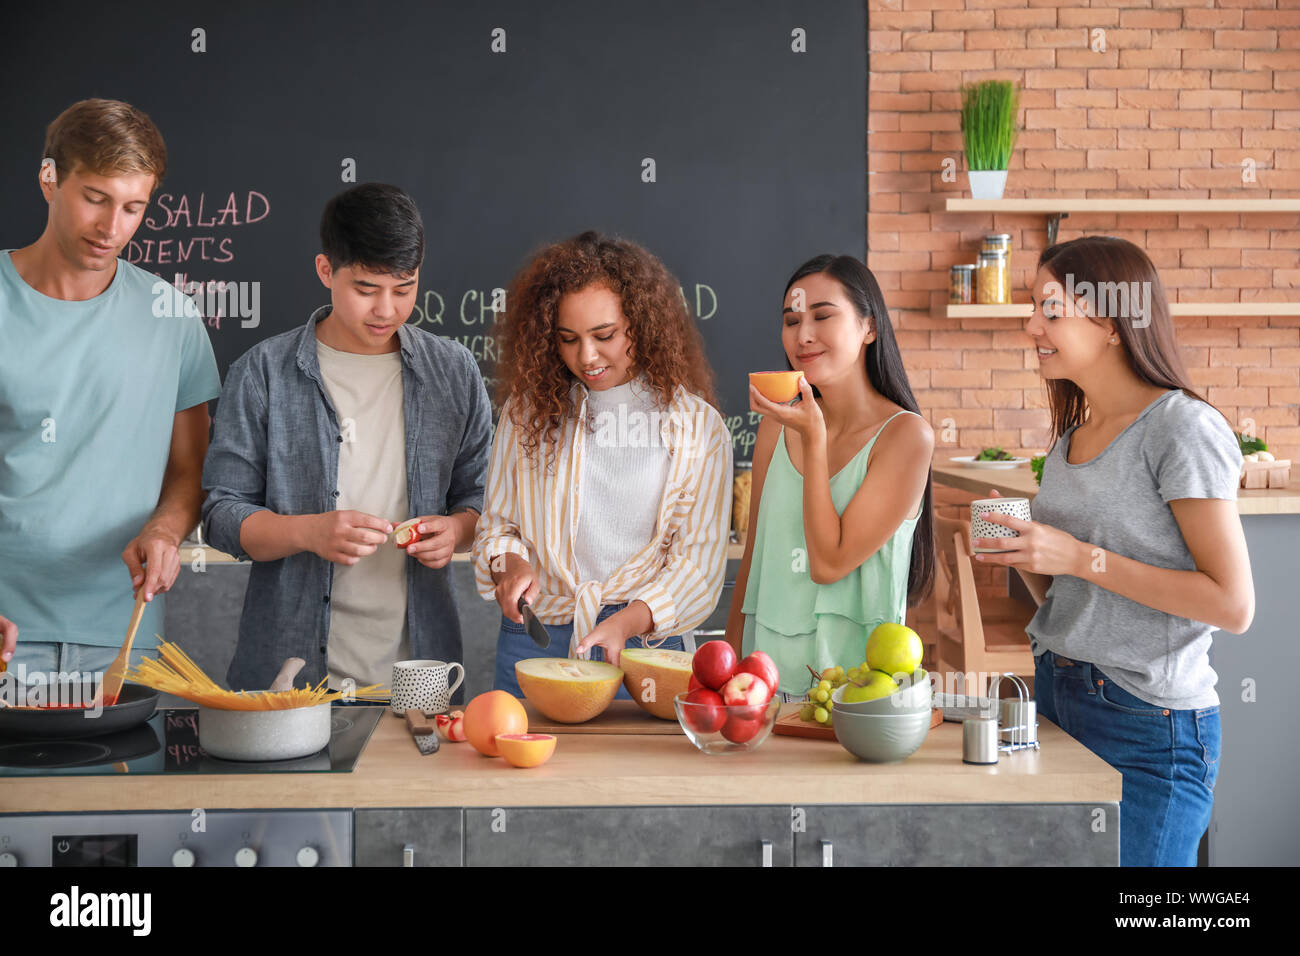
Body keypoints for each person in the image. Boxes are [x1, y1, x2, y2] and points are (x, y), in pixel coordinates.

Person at [974, 235, 1254, 867]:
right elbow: (1080, 591)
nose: (1030, 326)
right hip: (1058, 694)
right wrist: (1030, 557)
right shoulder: (1072, 437)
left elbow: (1232, 605)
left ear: (1109, 323)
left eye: (1049, 308)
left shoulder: (1183, 429)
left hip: (1147, 723)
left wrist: (1076, 556)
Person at [202, 184, 491, 692]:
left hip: (421, 673)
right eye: (365, 288)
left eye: (404, 289)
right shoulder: (262, 372)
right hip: (286, 674)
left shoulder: (454, 371)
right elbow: (222, 515)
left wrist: (457, 531)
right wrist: (308, 533)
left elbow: (482, 499)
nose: (386, 310)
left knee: (422, 772)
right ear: (324, 271)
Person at [0, 98, 219, 681]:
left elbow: (190, 471)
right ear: (49, 179)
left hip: (126, 634)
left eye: (132, 208)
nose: (111, 227)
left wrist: (165, 530)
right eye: (95, 199)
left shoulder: (171, 315)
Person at [473, 230, 732, 697]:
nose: (586, 357)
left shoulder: (699, 428)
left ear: (643, 323)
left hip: (642, 643)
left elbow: (699, 567)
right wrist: (509, 564)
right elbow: (498, 524)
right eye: (568, 339)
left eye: (605, 335)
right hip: (539, 633)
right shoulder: (527, 413)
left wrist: (626, 624)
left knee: (636, 772)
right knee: (515, 766)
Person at [724, 255, 936, 697]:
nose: (803, 335)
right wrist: (726, 669)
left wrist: (814, 437)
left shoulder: (906, 437)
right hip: (764, 687)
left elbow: (828, 564)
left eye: (822, 315)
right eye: (791, 320)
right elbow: (755, 558)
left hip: (859, 696)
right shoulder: (775, 426)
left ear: (869, 328)